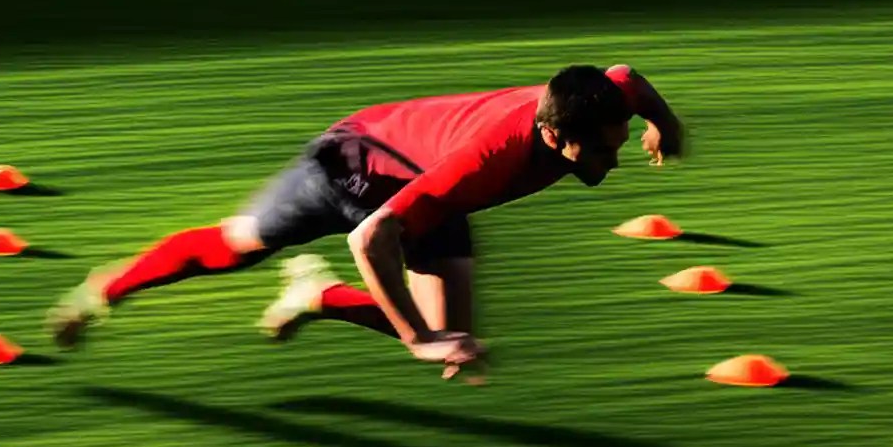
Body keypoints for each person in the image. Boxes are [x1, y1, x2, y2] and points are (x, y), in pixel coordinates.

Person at [46, 63, 683, 377]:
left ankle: (318, 297)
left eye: (617, 140)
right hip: (352, 159)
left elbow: (626, 76)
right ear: (550, 132)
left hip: (426, 182)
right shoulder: (488, 160)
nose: (613, 158)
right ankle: (104, 290)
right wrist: (413, 338)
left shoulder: (596, 99)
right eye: (600, 149)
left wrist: (665, 125)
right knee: (236, 245)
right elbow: (370, 234)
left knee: (455, 343)